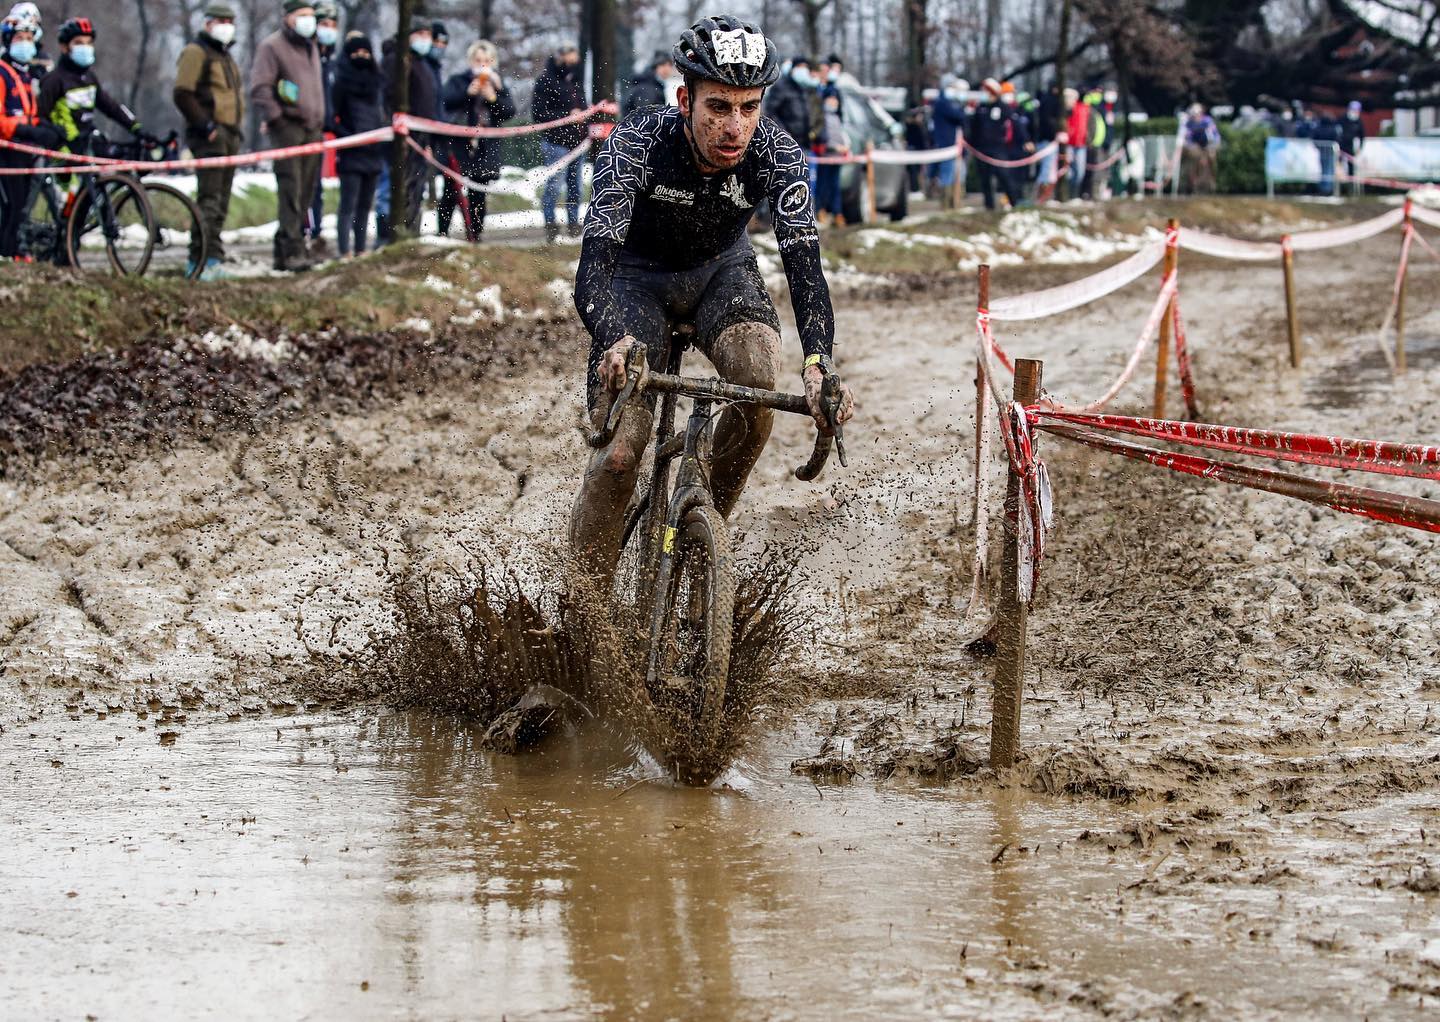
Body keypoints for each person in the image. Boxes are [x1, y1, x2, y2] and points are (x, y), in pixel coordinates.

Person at [570, 15, 855, 591]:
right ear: (685, 99)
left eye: (749, 107)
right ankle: (584, 603)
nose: (735, 126)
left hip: (719, 273)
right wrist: (613, 338)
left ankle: (703, 538)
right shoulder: (636, 144)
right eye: (718, 107)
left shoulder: (778, 153)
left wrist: (819, 364)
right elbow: (592, 272)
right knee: (624, 451)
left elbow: (805, 268)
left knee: (756, 382)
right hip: (633, 280)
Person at [249, 1, 325, 272]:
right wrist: (278, 119)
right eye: (303, 16)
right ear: (290, 18)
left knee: (305, 192)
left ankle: (293, 246)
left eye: (311, 16)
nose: (309, 21)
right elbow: (260, 87)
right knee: (290, 189)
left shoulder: (311, 46)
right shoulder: (273, 47)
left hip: (313, 129)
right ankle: (290, 250)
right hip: (288, 129)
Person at [173, 2, 244, 280]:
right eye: (220, 21)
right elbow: (182, 92)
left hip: (230, 134)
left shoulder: (225, 55)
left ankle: (214, 256)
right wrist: (205, 125)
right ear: (208, 23)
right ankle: (198, 258)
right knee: (209, 199)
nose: (226, 26)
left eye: (230, 21)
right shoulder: (196, 52)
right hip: (210, 136)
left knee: (222, 201)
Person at [438, 39, 515, 241]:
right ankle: (442, 232)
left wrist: (493, 98)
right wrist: (467, 94)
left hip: (484, 146)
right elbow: (444, 101)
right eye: (478, 60)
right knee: (450, 191)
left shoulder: (498, 84)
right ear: (470, 60)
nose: (482, 64)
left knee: (478, 193)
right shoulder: (458, 80)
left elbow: (509, 111)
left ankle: (475, 234)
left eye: (487, 60)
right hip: (459, 145)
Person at [0, 13, 60, 259]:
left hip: (24, 148)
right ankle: (8, 252)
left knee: (22, 205)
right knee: (12, 204)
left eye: (29, 38)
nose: (25, 43)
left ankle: (13, 250)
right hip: (7, 149)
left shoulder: (24, 75)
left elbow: (29, 113)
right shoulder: (2, 73)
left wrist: (45, 127)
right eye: (19, 38)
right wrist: (24, 129)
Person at [38, 18, 144, 156]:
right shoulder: (54, 80)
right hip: (64, 151)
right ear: (64, 47)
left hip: (87, 143)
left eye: (89, 43)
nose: (85, 47)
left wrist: (135, 127)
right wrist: (59, 145)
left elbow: (110, 106)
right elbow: (40, 118)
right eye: (78, 43)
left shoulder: (89, 77)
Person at [330, 32, 383, 257]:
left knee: (364, 207)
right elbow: (331, 118)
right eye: (356, 53)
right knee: (347, 206)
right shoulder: (340, 84)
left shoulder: (378, 84)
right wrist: (347, 137)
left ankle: (361, 249)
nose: (361, 56)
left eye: (365, 52)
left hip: (373, 152)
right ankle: (344, 251)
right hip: (352, 153)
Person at [382, 21, 438, 234]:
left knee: (416, 186)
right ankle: (396, 232)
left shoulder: (423, 63)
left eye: (428, 34)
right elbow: (389, 95)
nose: (425, 39)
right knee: (401, 186)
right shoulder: (396, 61)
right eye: (420, 33)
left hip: (422, 134)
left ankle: (412, 230)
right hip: (404, 133)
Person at [532, 41, 586, 244]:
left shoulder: (575, 81)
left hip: (577, 142)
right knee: (554, 186)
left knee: (576, 187)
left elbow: (583, 105)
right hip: (556, 142)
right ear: (560, 57)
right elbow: (538, 114)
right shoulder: (545, 81)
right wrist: (567, 115)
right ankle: (551, 227)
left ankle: (573, 225)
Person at [305, 1, 339, 256]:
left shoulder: (330, 61)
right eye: (324, 24)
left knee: (317, 187)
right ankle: (305, 232)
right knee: (305, 185)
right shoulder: (308, 55)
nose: (328, 29)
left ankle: (316, 233)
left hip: (324, 130)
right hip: (304, 127)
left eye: (332, 25)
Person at [970, 78, 1022, 210]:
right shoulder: (980, 107)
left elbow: (1016, 124)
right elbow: (973, 127)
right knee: (985, 179)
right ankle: (989, 206)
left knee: (1004, 176)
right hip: (981, 149)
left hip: (998, 148)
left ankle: (1013, 202)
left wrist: (1025, 139)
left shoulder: (1002, 107)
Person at [930, 75, 968, 207]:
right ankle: (946, 203)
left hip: (952, 143)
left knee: (956, 173)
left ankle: (954, 200)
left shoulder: (945, 102)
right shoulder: (942, 102)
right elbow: (958, 116)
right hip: (946, 143)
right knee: (947, 174)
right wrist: (961, 106)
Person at [762, 55, 813, 149]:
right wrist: (783, 133)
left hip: (804, 143)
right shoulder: (781, 86)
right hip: (786, 143)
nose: (803, 70)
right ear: (793, 69)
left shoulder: (803, 88)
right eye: (800, 67)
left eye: (805, 67)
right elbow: (770, 112)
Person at [815, 87, 847, 226]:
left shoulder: (837, 116)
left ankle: (837, 213)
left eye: (835, 98)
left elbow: (841, 135)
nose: (834, 101)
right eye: (831, 98)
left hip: (837, 157)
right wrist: (834, 147)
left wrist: (845, 146)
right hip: (825, 156)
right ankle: (820, 210)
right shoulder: (822, 116)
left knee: (835, 186)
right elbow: (823, 137)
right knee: (823, 185)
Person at [1182, 102, 1219, 194]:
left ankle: (1212, 181)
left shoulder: (1207, 121)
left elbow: (1214, 137)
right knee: (1194, 156)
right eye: (1193, 114)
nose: (1196, 116)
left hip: (1208, 145)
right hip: (1195, 146)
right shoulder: (1188, 123)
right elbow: (1187, 139)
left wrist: (1210, 148)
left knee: (1211, 156)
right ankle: (1193, 183)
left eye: (1197, 113)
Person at [623, 51, 673, 117]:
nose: (667, 69)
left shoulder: (654, 85)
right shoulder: (647, 88)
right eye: (663, 65)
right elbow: (645, 118)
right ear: (655, 67)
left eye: (669, 65)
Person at [1063, 87, 1089, 198]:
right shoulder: (1067, 110)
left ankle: (1074, 195)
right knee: (1068, 172)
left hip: (1081, 144)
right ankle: (1067, 195)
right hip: (1068, 144)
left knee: (1079, 173)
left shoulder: (1085, 108)